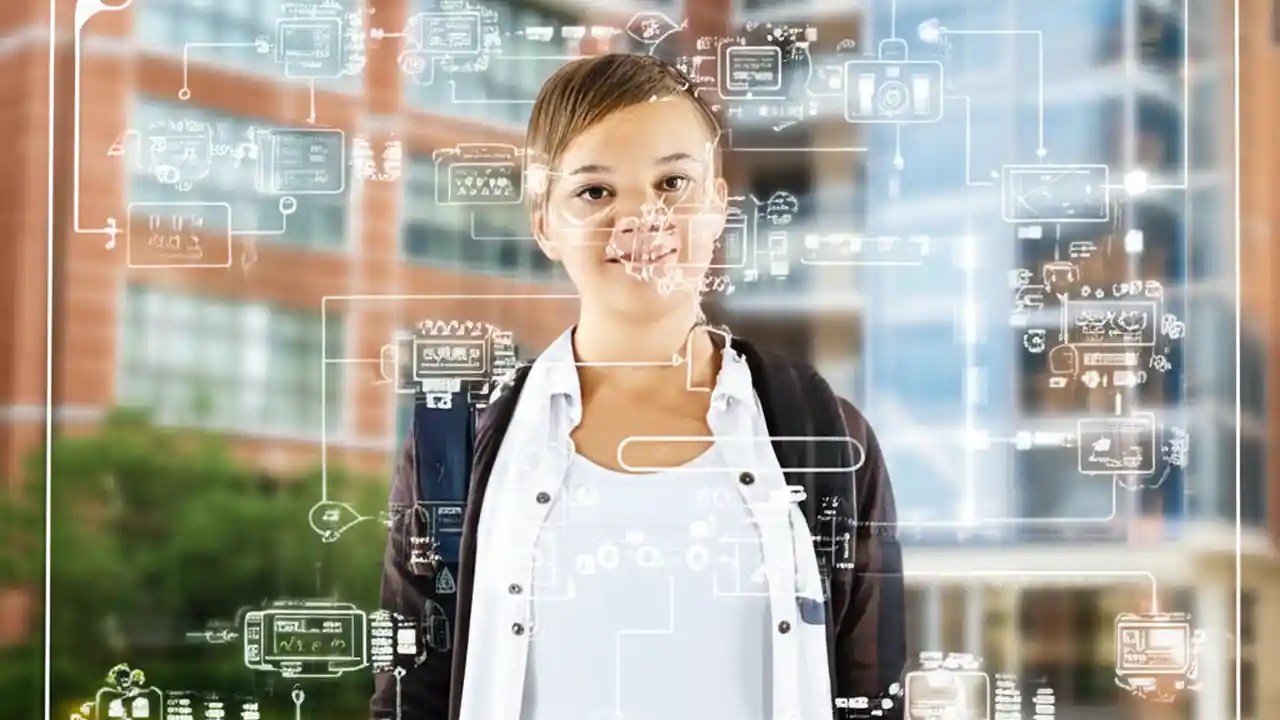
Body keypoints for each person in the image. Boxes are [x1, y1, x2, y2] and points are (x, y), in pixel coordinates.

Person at [372, 53, 905, 720]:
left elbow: (871, 693)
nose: (642, 218)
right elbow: (409, 698)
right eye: (595, 192)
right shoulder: (451, 446)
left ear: (717, 203)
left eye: (673, 182)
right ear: (544, 222)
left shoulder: (829, 437)